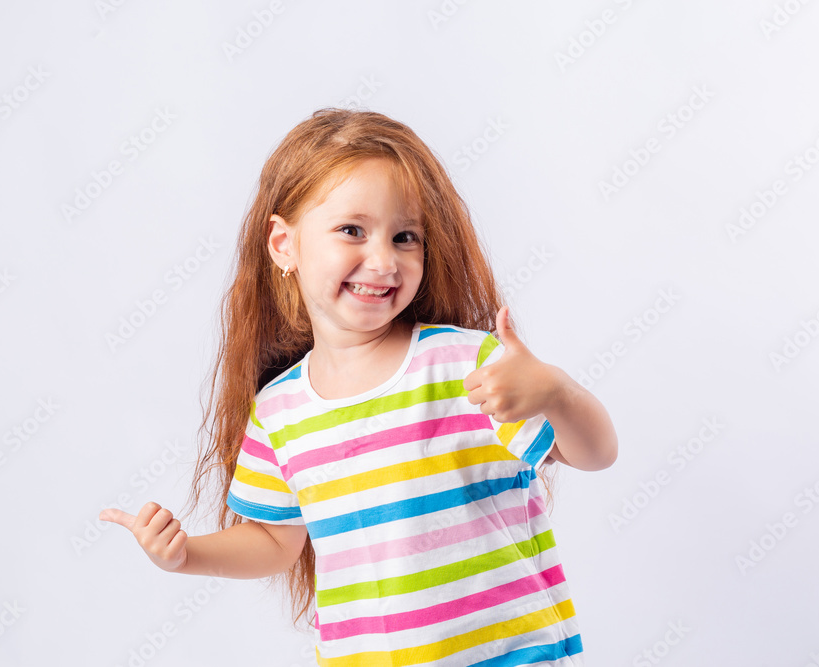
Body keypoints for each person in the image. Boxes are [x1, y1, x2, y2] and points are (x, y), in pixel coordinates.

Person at [100, 108, 618, 666]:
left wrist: (557, 393)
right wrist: (184, 557)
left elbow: (594, 454)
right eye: (352, 230)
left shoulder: (463, 364)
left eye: (405, 237)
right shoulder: (279, 412)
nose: (383, 260)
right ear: (284, 245)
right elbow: (276, 542)